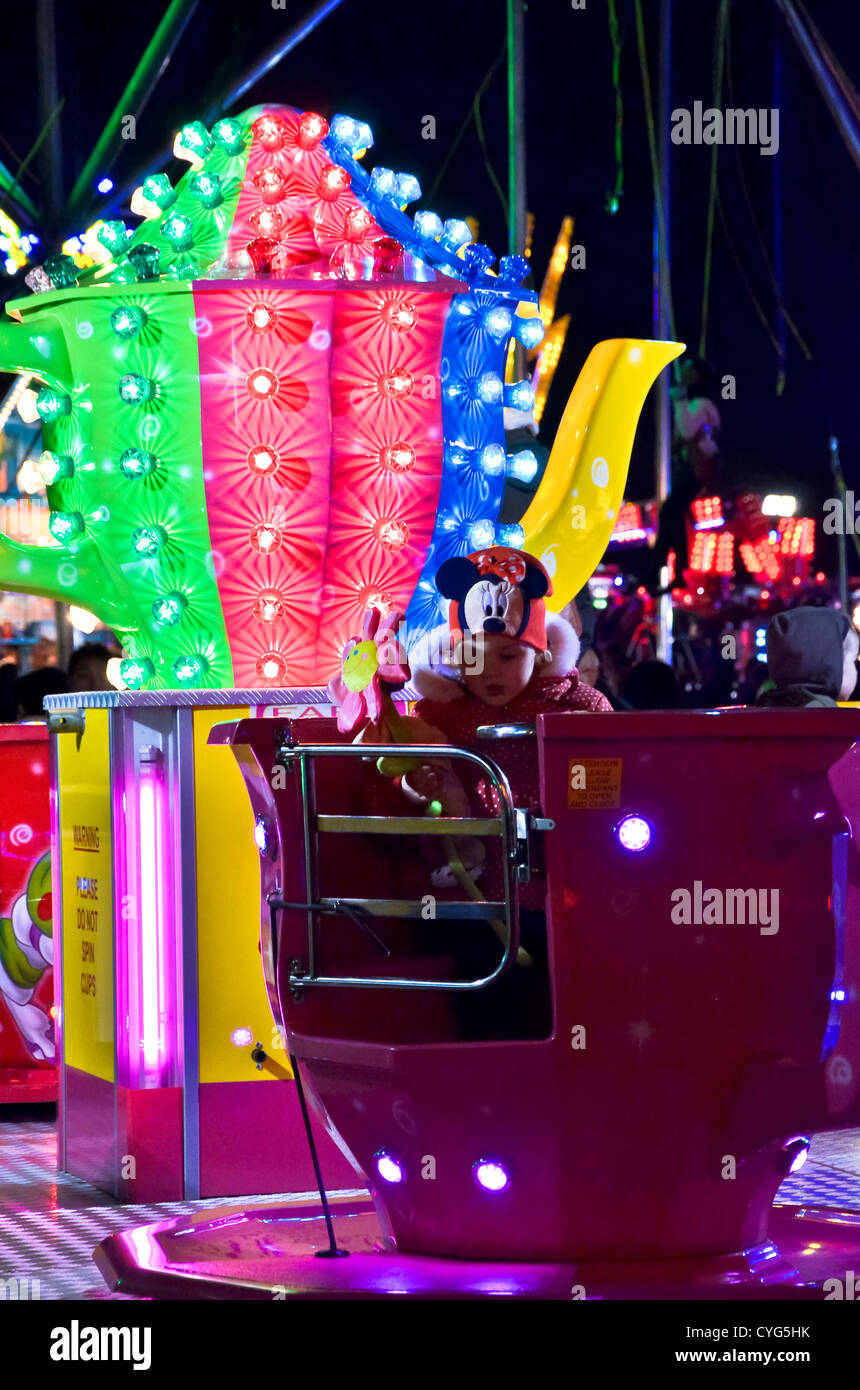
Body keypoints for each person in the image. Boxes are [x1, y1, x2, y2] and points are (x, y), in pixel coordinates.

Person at [402, 546, 612, 1040]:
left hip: (560, 885)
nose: (489, 670)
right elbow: (406, 771)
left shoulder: (577, 704)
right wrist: (414, 785)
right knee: (478, 996)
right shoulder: (437, 714)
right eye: (473, 654)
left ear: (540, 651)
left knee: (561, 994)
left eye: (508, 655)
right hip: (468, 889)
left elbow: (608, 776)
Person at [757, 608, 859, 708]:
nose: (856, 672)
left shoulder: (764, 706)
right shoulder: (834, 720)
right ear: (832, 664)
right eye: (853, 661)